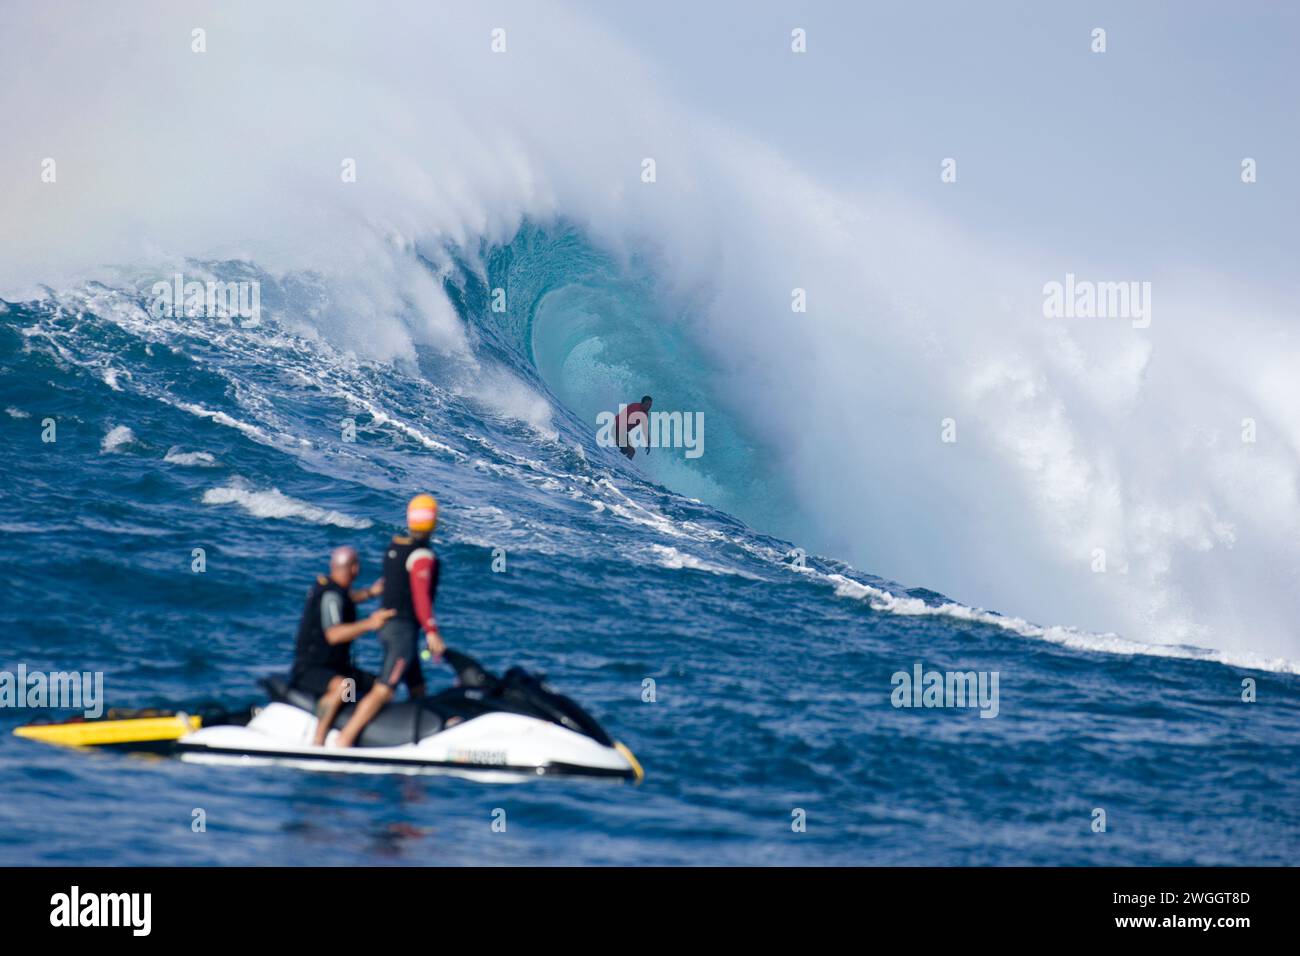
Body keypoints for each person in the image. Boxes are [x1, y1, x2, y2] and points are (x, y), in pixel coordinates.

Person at [334, 494, 447, 748]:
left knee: (417, 686)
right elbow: (420, 596)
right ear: (434, 522)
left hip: (390, 627)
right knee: (386, 687)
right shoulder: (422, 556)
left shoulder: (395, 548)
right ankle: (344, 740)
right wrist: (431, 630)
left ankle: (424, 740)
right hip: (402, 631)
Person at [289, 546, 394, 746]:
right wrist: (370, 624)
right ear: (354, 569)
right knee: (344, 687)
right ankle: (318, 741)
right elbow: (334, 635)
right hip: (312, 669)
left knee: (380, 687)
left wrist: (371, 592)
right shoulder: (330, 595)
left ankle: (357, 733)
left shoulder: (334, 591)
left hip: (336, 668)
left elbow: (347, 600)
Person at [616, 394, 653, 458]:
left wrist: (648, 443)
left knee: (625, 450)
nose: (648, 407)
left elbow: (645, 429)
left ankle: (614, 460)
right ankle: (619, 464)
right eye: (646, 404)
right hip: (617, 428)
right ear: (642, 403)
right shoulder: (635, 408)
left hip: (622, 432)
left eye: (650, 405)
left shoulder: (645, 414)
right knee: (631, 451)